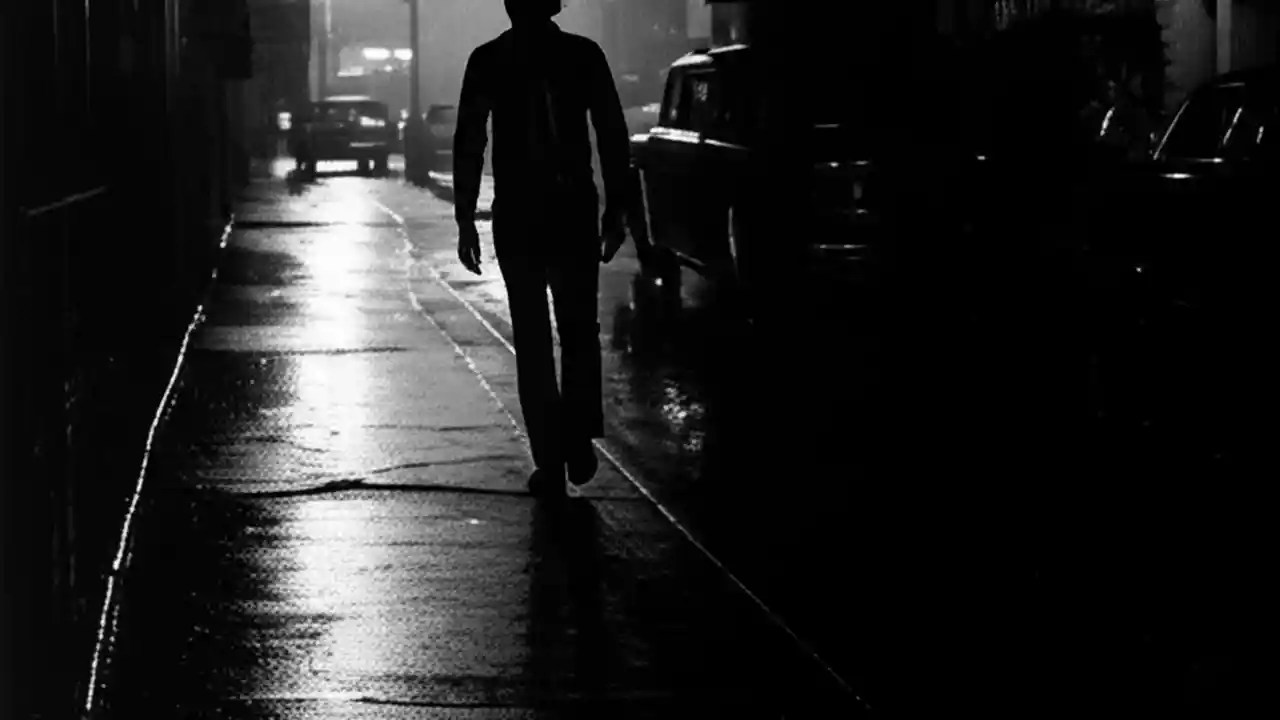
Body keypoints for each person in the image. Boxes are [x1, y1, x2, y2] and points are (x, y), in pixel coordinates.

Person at [453, 0, 632, 496]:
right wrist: (617, 208)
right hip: (567, 210)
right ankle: (573, 441)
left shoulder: (490, 60)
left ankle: (554, 456)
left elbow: (471, 139)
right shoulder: (582, 56)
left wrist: (466, 214)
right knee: (575, 333)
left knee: (535, 341)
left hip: (524, 216)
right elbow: (612, 134)